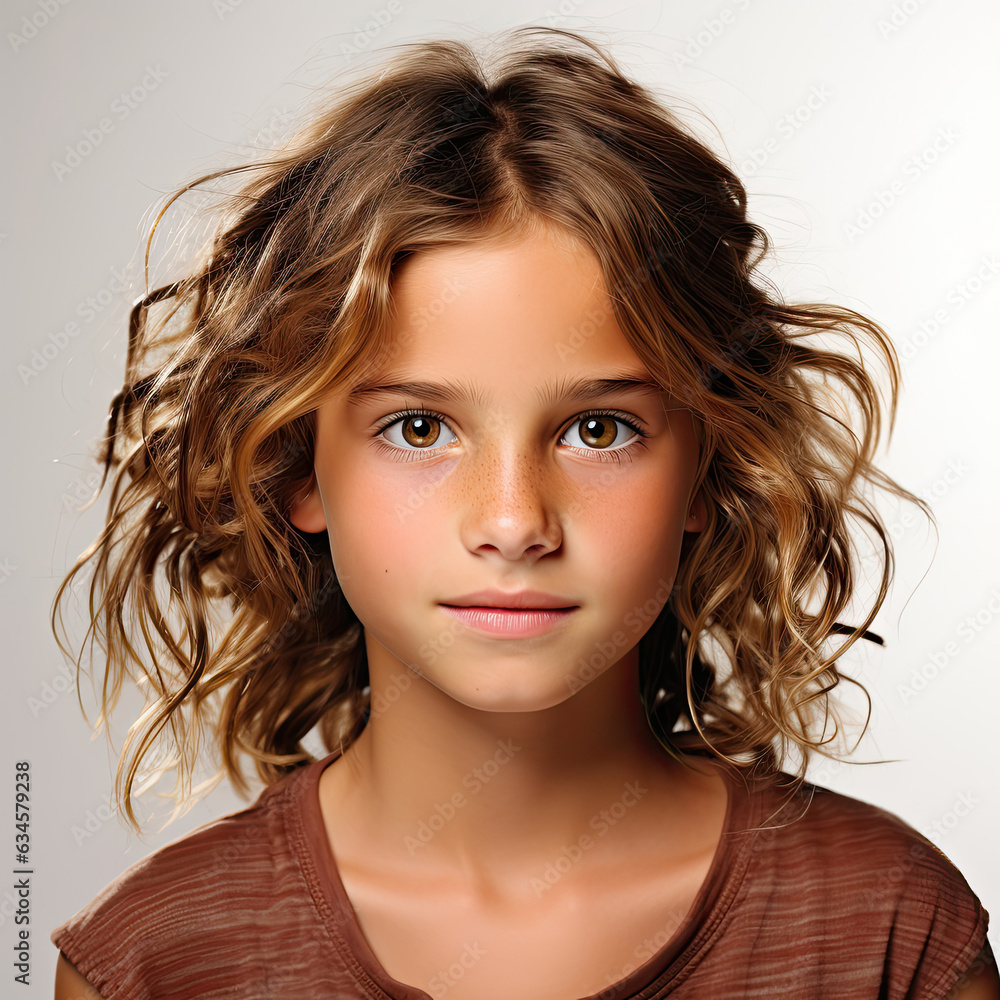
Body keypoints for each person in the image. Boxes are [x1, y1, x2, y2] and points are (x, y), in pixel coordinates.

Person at [50, 24, 996, 1000]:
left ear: (709, 469)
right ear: (297, 466)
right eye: (419, 428)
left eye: (597, 429)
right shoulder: (157, 962)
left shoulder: (886, 929)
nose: (512, 522)